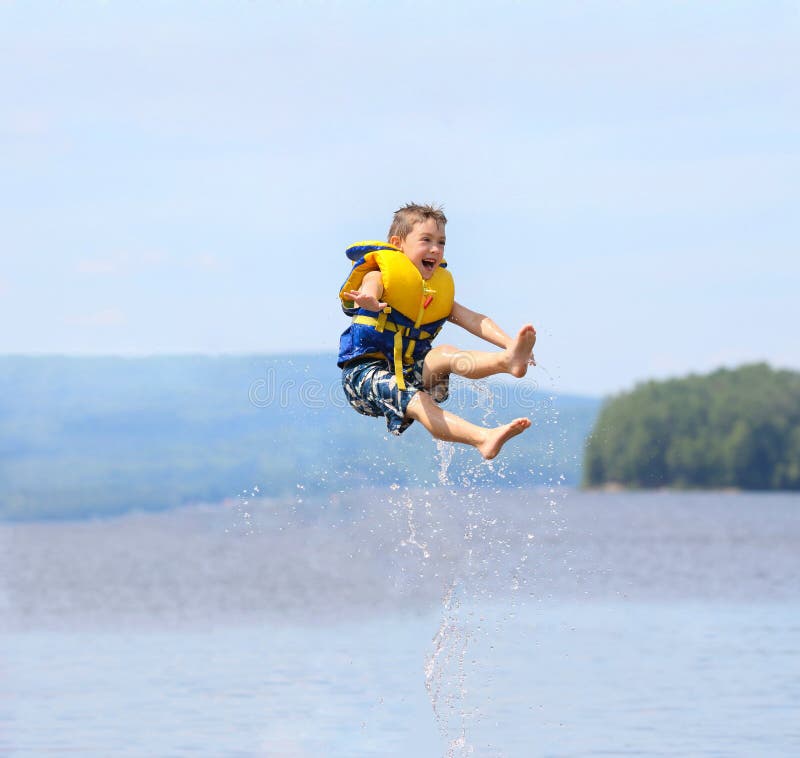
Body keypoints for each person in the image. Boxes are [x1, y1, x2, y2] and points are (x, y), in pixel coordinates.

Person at [338, 203, 536, 460]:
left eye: (441, 242)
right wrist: (369, 300)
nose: (435, 249)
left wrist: (510, 344)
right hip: (364, 376)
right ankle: (482, 438)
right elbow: (370, 285)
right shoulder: (381, 273)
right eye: (426, 240)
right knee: (419, 401)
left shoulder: (433, 291)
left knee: (446, 353)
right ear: (398, 244)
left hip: (411, 368)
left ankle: (507, 361)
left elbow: (474, 319)